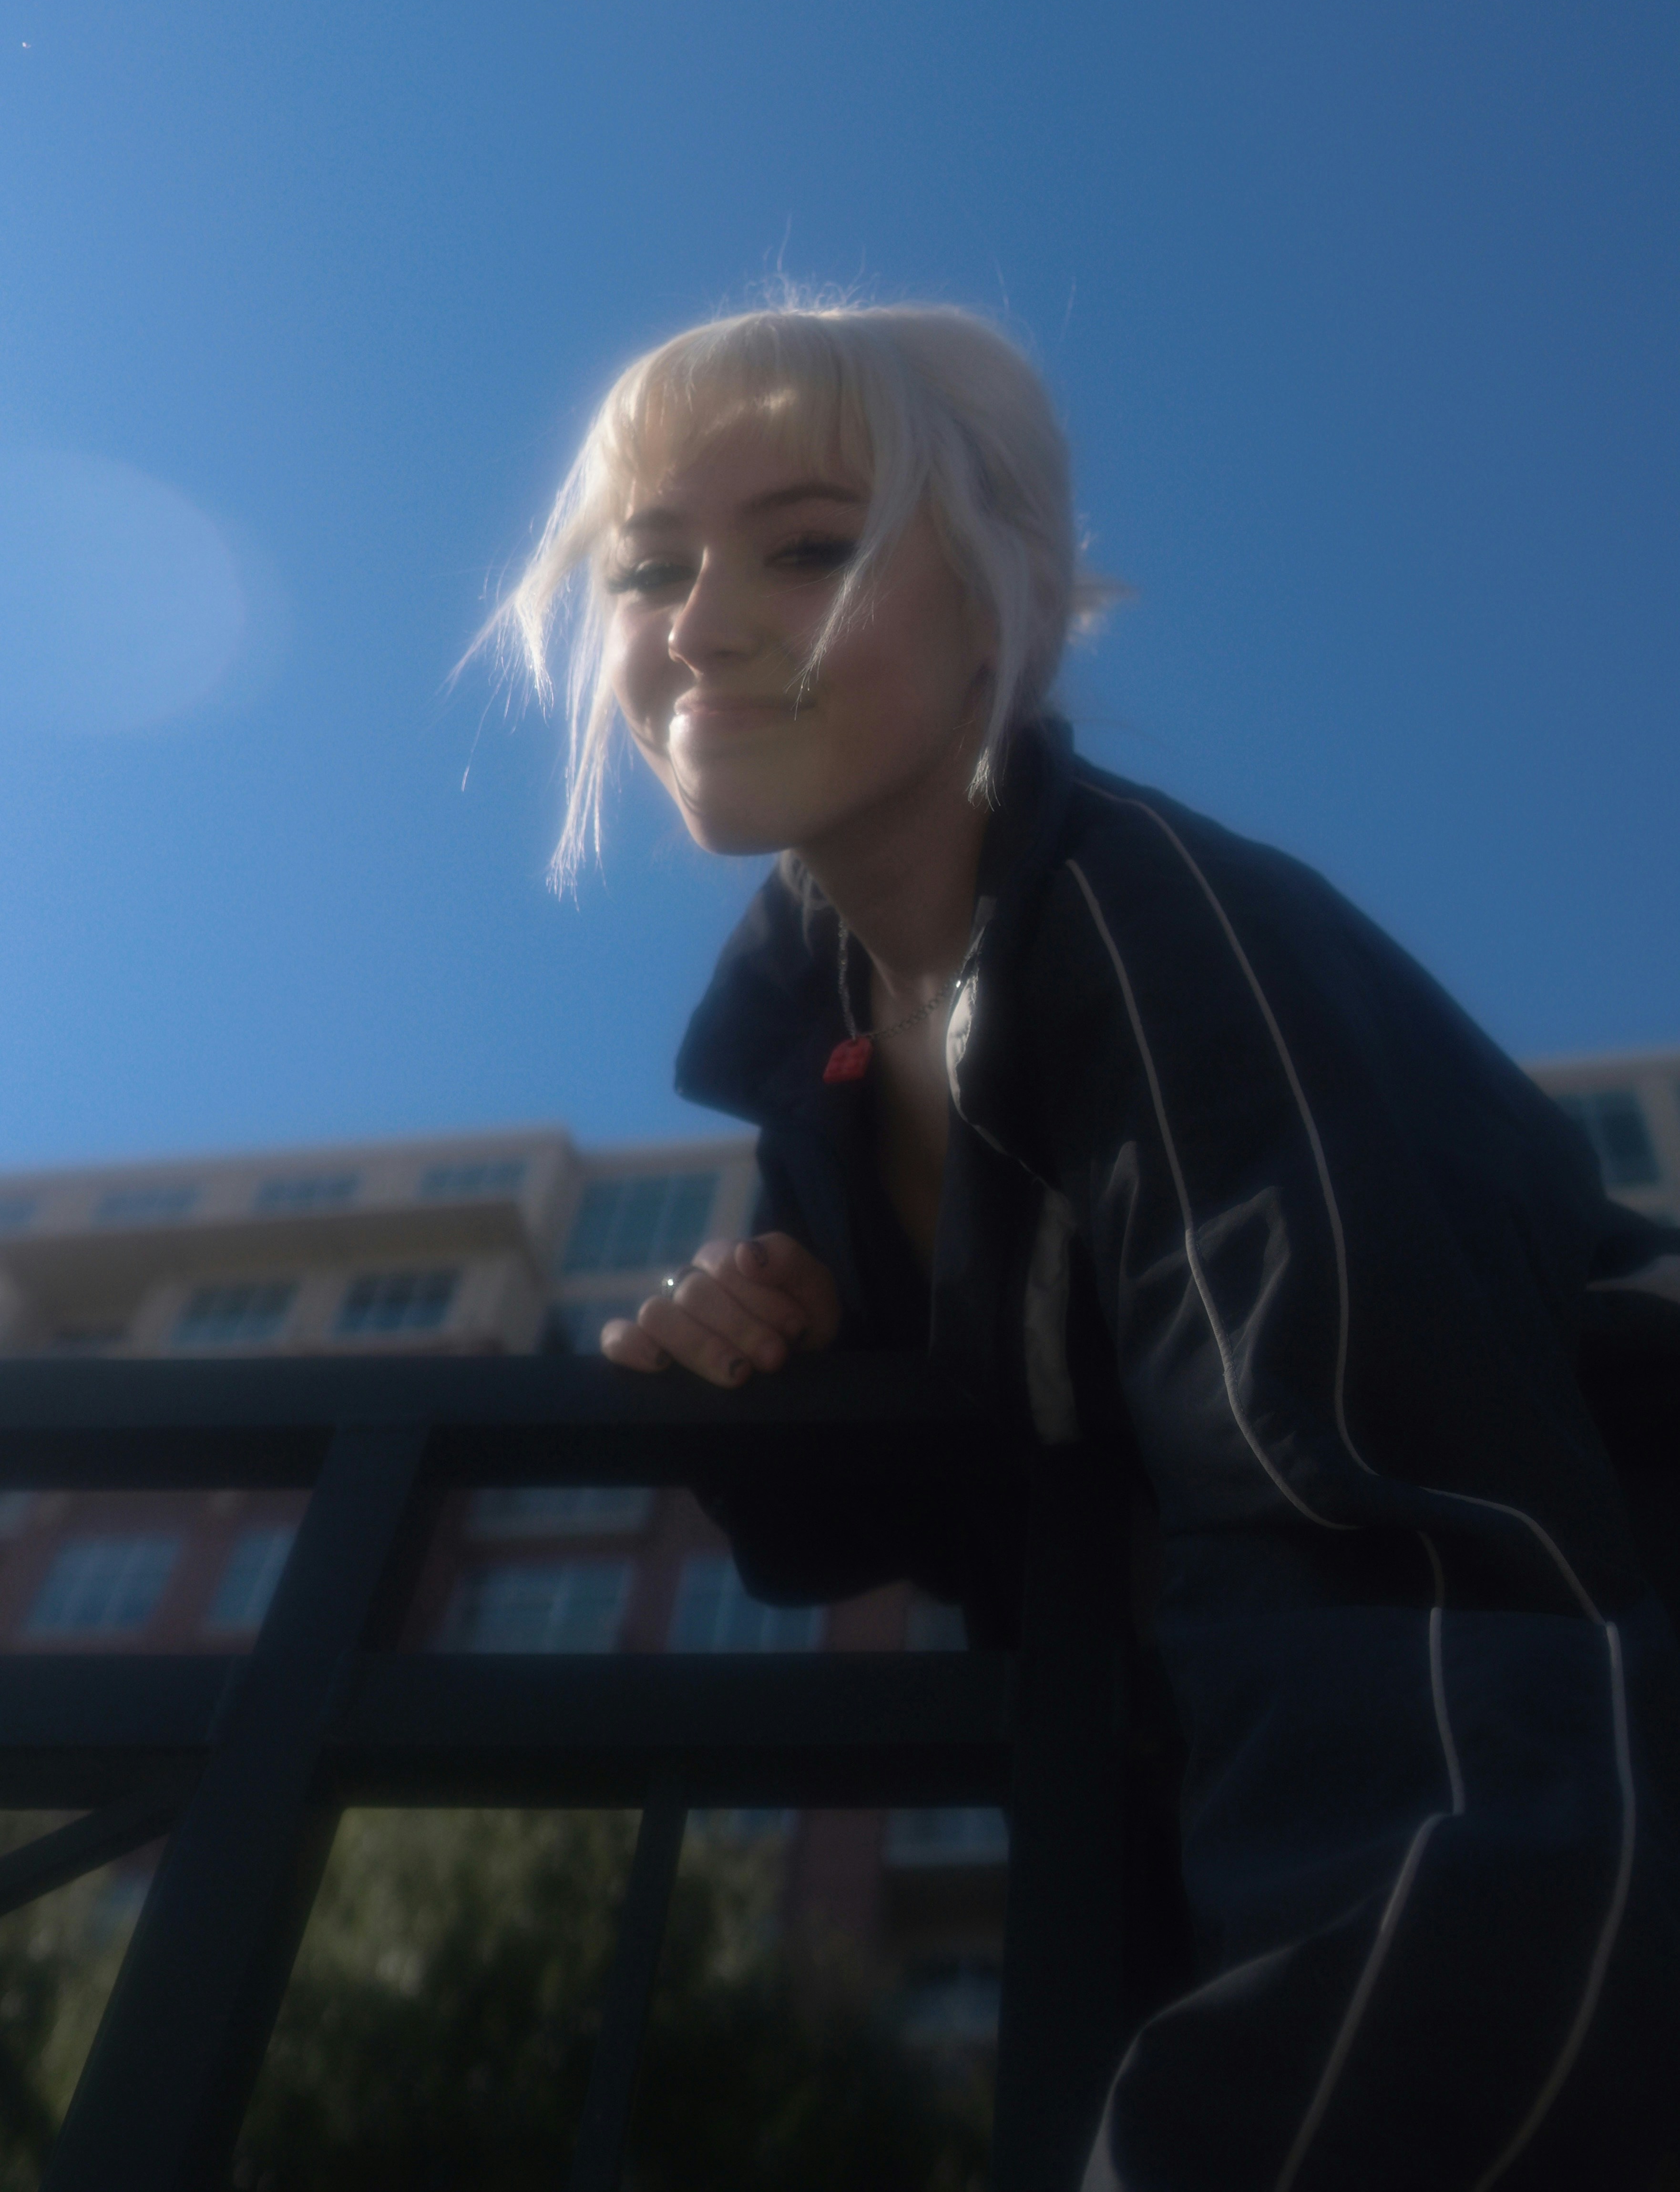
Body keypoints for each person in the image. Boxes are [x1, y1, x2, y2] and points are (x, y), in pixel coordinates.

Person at [496, 300, 1680, 2188]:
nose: (696, 623)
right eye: (646, 568)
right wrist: (754, 1384)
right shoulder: (808, 1041)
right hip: (1214, 1861)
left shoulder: (1156, 946)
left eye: (805, 546)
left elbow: (1410, 1599)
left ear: (997, 602)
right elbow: (962, 1500)